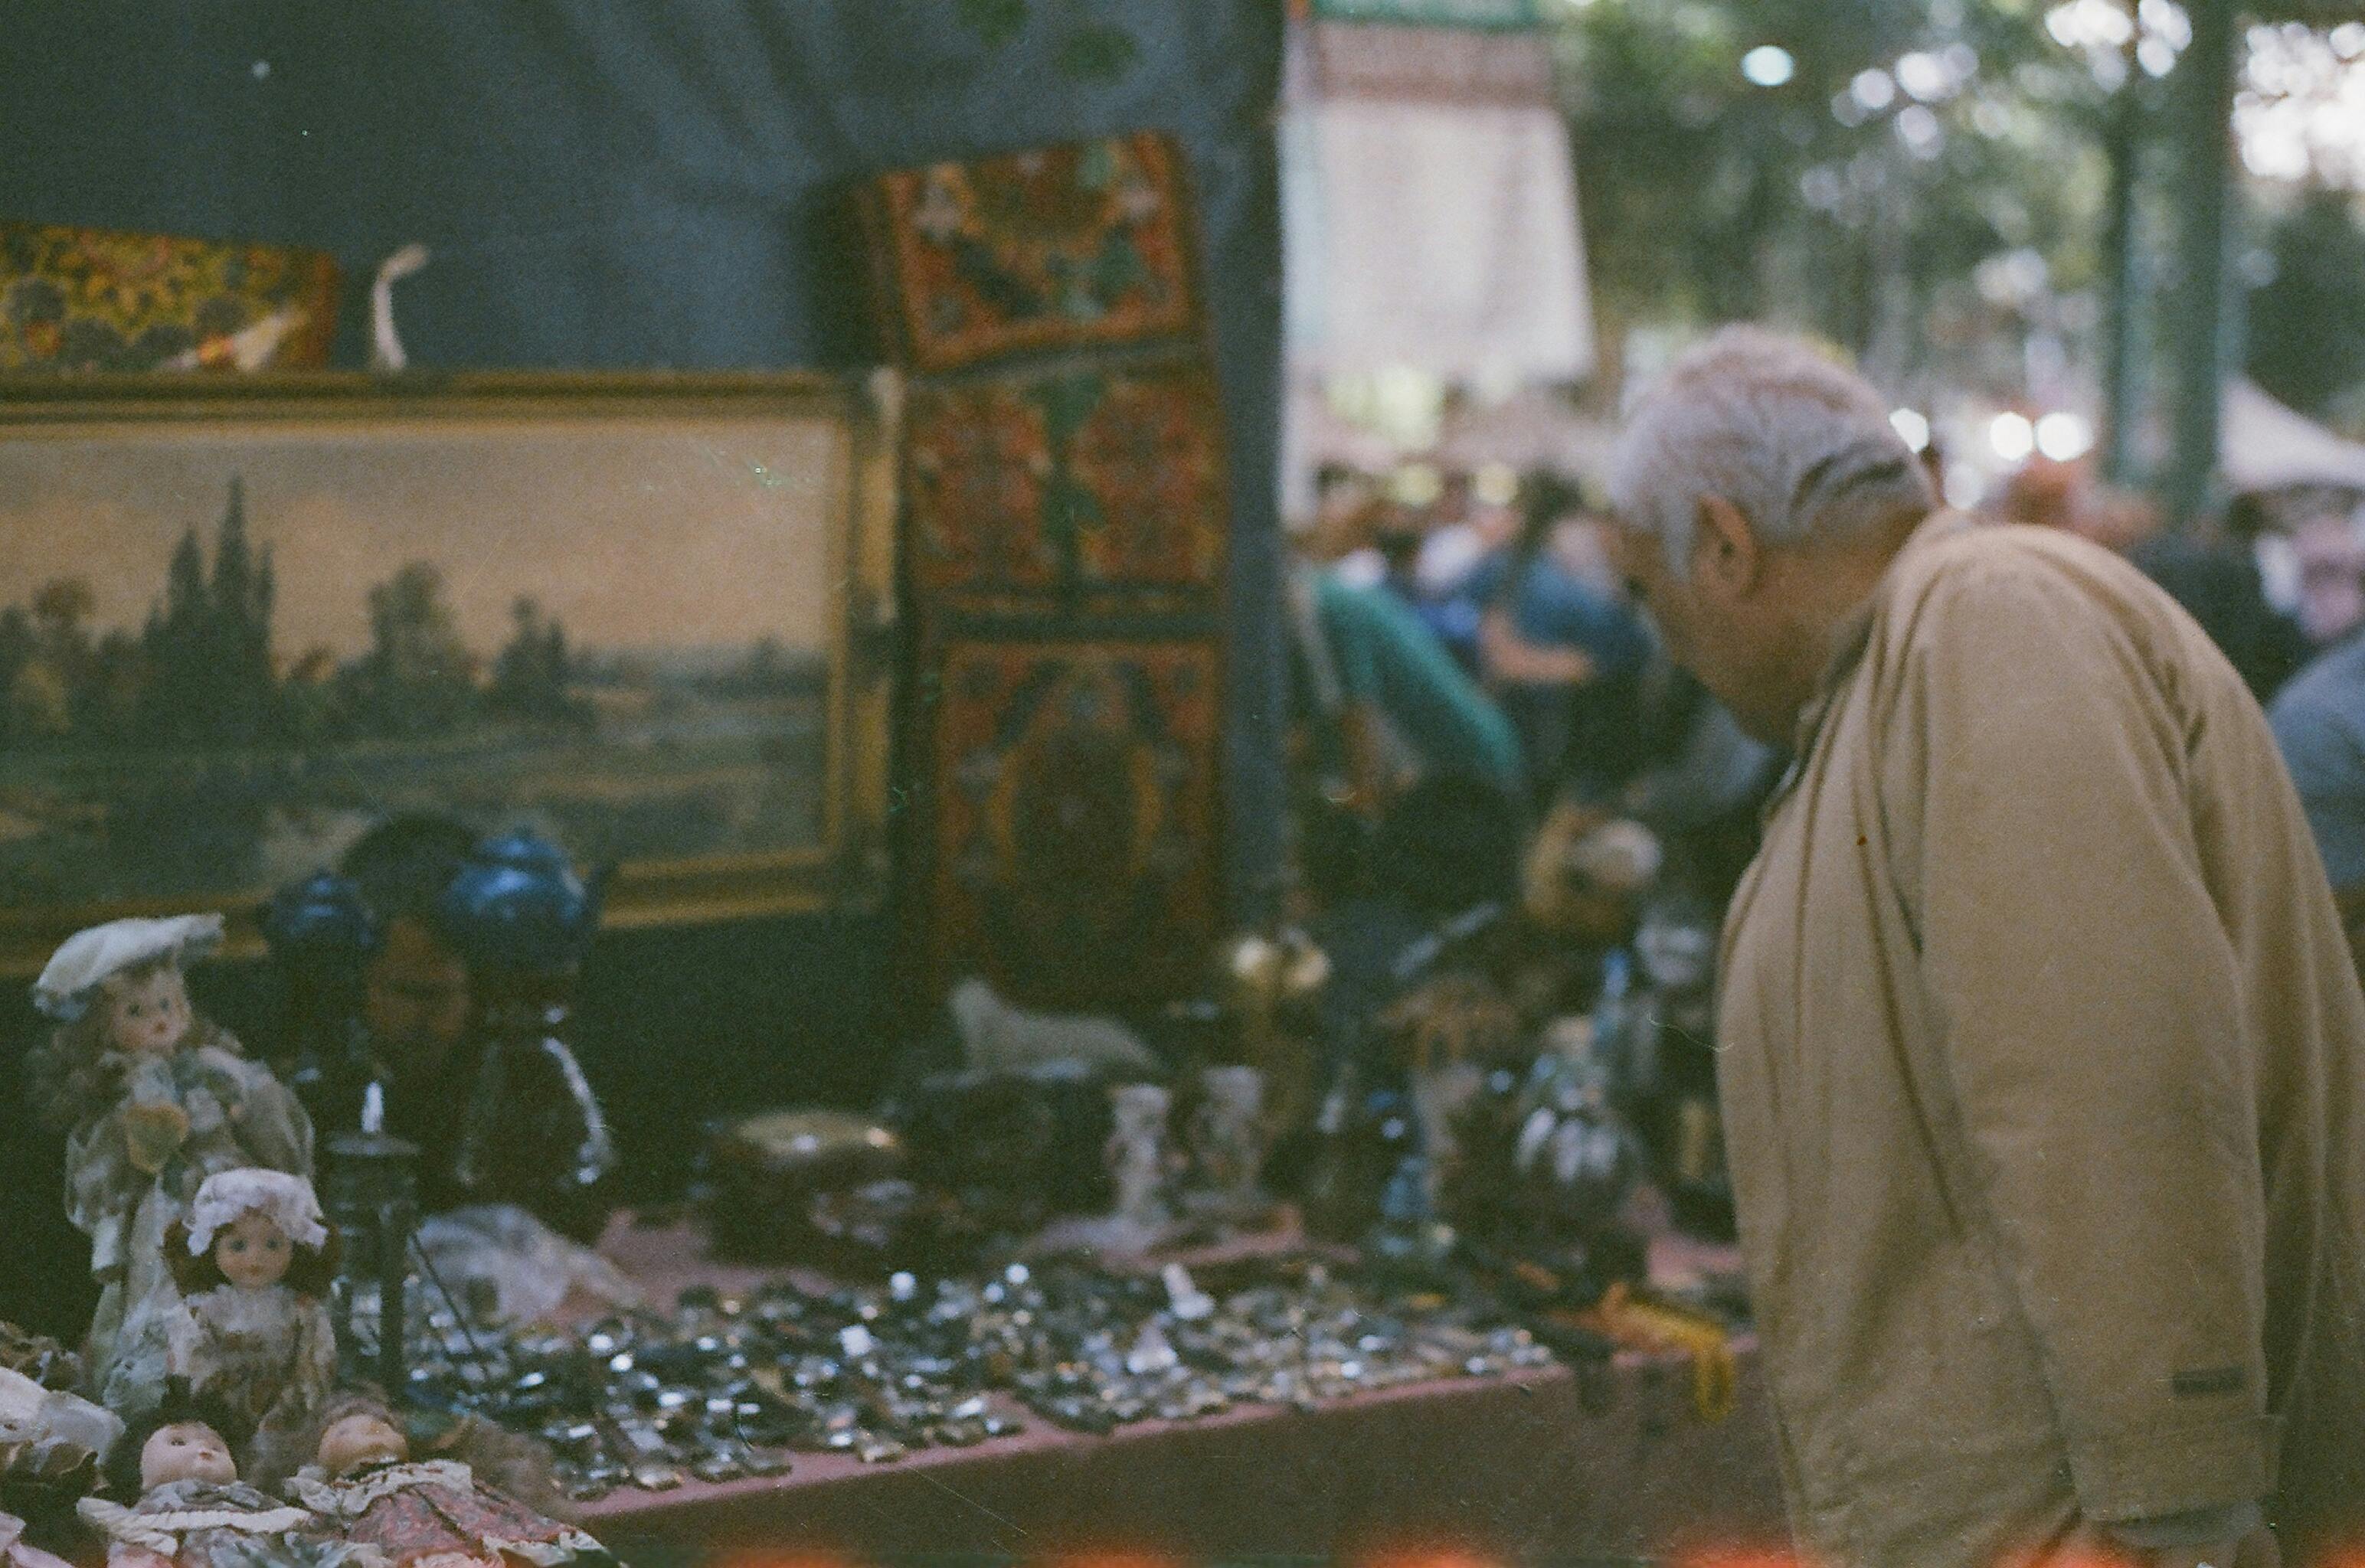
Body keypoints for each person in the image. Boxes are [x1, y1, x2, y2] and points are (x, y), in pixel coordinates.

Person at [1604, 326, 2365, 1567]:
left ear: (1726, 545)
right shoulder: (1896, 678)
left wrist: (2160, 1506)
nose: (1658, 635)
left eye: (1650, 589)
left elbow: (2103, 1089)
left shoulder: (1987, 621)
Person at [320, 815, 614, 1240]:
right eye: (407, 991)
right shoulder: (334, 1077)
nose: (427, 1018)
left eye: (446, 993)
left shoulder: (515, 1056)